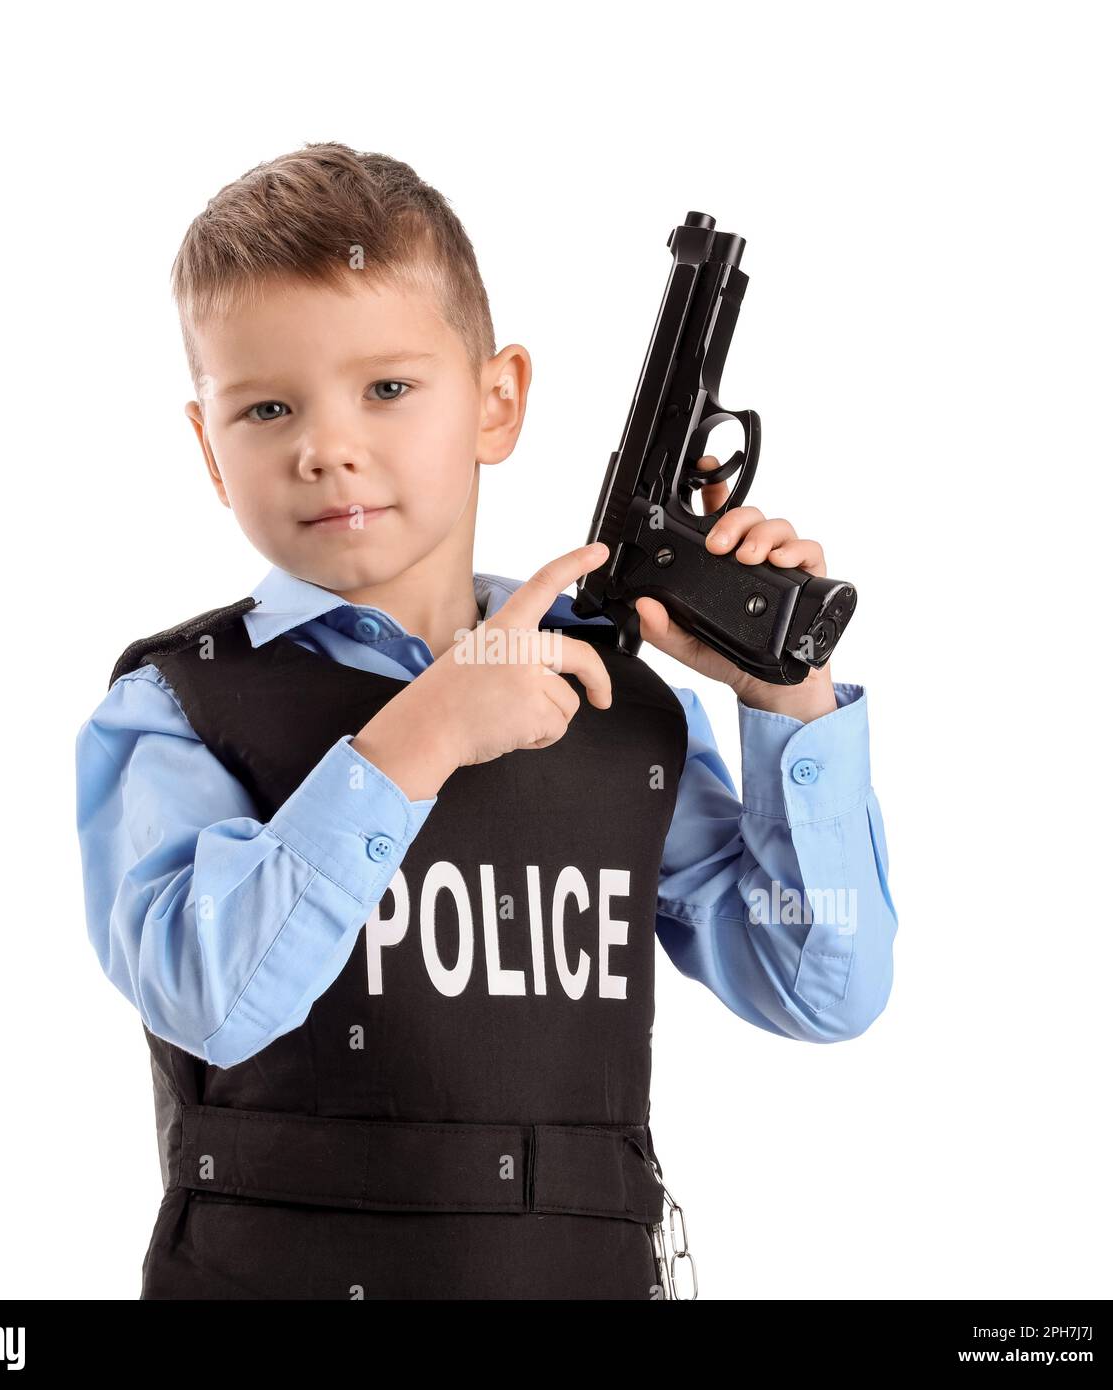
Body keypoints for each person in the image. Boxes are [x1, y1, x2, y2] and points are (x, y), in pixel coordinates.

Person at [74, 141, 899, 1299]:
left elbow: (824, 986)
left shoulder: (612, 702)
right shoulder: (174, 709)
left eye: (389, 388)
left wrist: (786, 706)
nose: (327, 446)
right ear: (212, 450)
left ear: (496, 400)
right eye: (266, 407)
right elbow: (214, 997)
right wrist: (418, 739)